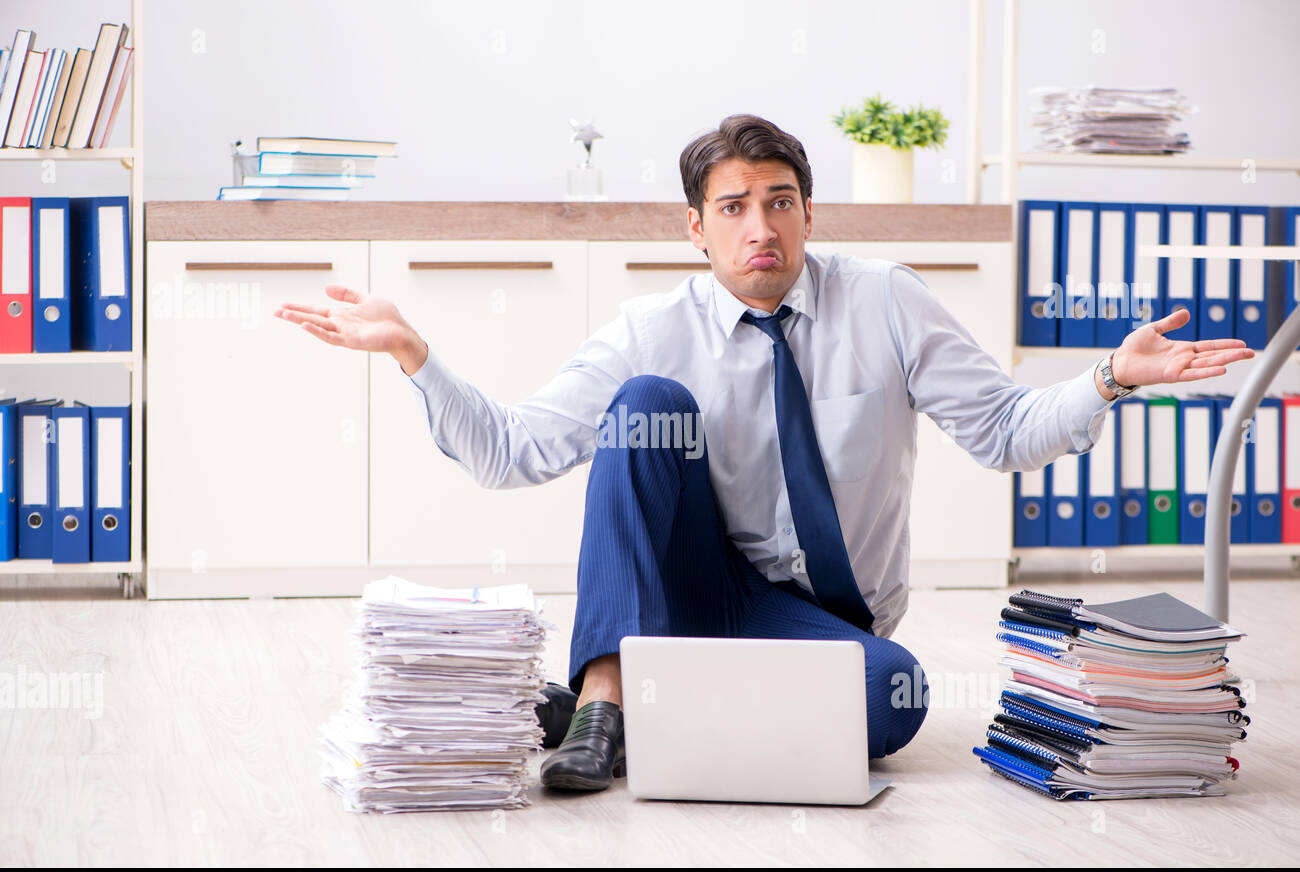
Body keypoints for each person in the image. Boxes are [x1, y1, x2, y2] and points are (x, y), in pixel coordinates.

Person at [276, 114, 1254, 794]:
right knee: (646, 405)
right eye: (734, 207)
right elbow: (511, 453)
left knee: (892, 700)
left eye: (780, 202)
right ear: (693, 228)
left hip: (820, 620)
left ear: (809, 215)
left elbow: (1003, 430)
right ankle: (613, 695)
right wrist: (414, 353)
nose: (761, 227)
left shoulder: (885, 301)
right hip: (702, 591)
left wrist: (1111, 378)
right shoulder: (649, 328)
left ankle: (599, 702)